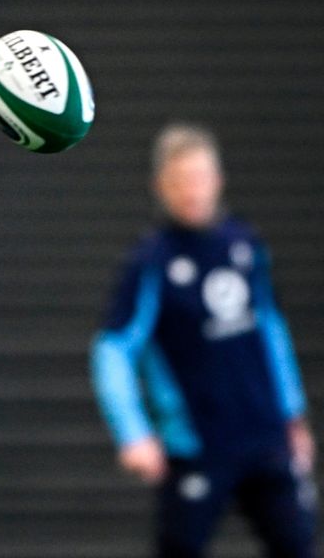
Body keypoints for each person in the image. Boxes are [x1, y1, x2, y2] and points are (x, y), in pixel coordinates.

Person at [90, 123, 317, 557]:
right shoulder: (151, 261)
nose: (192, 191)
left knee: (298, 544)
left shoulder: (245, 245)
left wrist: (293, 416)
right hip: (197, 445)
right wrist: (133, 432)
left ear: (218, 180)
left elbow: (270, 330)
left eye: (199, 178)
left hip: (264, 435)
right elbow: (113, 349)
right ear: (161, 187)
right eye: (180, 181)